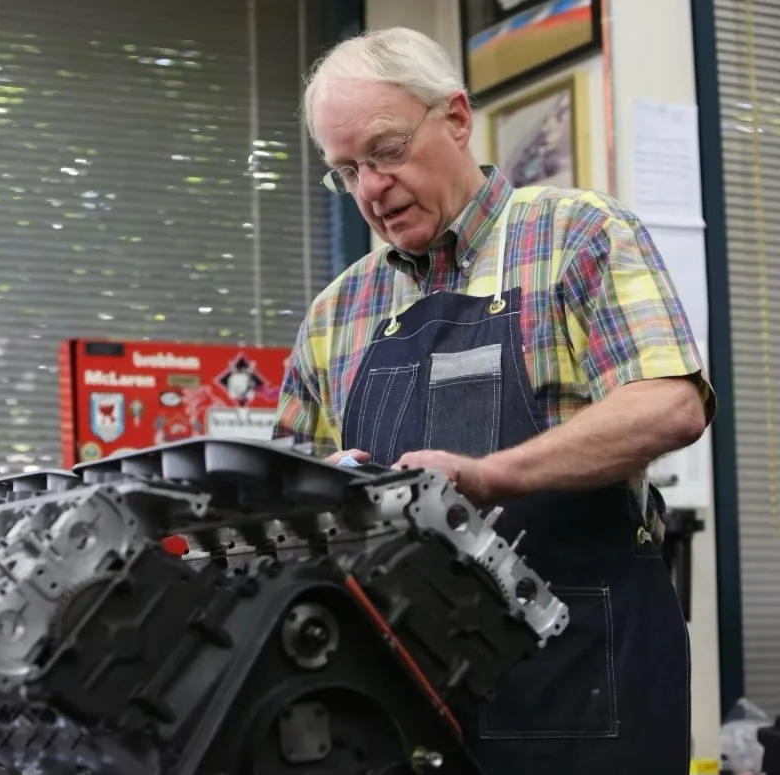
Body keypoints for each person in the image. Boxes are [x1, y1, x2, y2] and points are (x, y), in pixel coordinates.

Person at [272, 26, 715, 775]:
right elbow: (279, 505)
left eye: (385, 152)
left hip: (582, 693)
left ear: (454, 117)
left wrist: (488, 476)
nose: (371, 189)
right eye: (345, 170)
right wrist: (326, 493)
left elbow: (669, 403)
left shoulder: (577, 237)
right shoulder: (335, 313)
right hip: (404, 714)